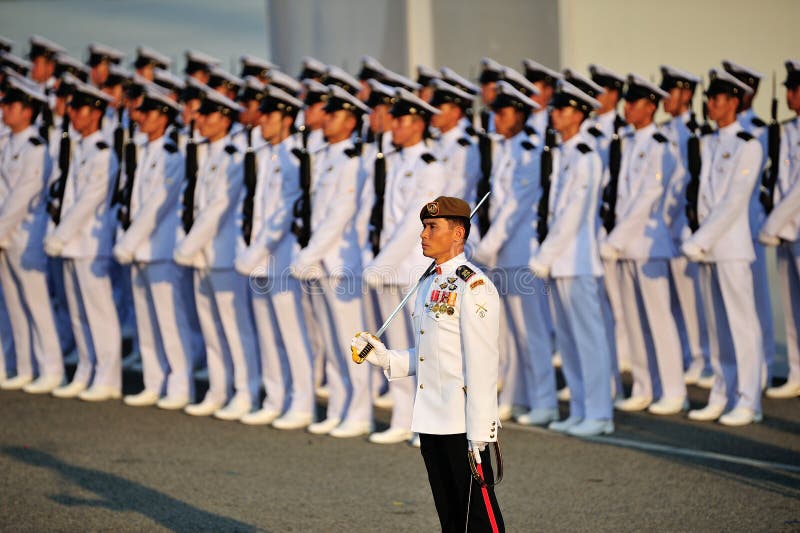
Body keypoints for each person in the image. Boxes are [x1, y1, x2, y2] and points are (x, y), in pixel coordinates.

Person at [353, 196, 504, 532]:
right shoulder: (426, 284)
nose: (423, 233)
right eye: (424, 226)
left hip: (462, 421)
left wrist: (481, 433)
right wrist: (385, 358)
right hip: (432, 418)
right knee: (450, 517)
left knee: (479, 518)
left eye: (432, 226)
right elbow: (429, 353)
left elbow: (482, 364)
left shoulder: (474, 286)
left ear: (458, 233)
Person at [362, 88, 447, 444]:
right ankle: (402, 416)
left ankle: (431, 423)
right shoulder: (393, 161)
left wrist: (382, 263)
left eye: (400, 120)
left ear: (417, 124)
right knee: (392, 349)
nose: (392, 126)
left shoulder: (430, 166)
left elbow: (416, 223)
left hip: (414, 264)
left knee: (424, 348)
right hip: (392, 266)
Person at [529, 81, 614, 436]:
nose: (555, 113)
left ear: (579, 114)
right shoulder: (563, 153)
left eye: (563, 109)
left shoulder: (586, 155)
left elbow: (574, 215)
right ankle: (580, 407)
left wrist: (544, 255)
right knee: (568, 340)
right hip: (560, 263)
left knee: (589, 339)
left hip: (576, 262)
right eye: (555, 108)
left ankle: (600, 413)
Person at [471, 81, 557, 426]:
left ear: (520, 115)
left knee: (532, 330)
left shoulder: (529, 150)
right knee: (509, 331)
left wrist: (486, 247)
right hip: (503, 252)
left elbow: (515, 208)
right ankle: (518, 395)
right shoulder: (506, 149)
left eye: (502, 113)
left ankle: (546, 401)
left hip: (520, 250)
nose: (497, 119)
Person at [600, 75, 687, 415]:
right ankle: (643, 385)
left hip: (648, 245)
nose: (627, 108)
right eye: (628, 102)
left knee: (659, 320)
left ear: (650, 107)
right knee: (633, 320)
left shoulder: (660, 144)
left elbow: (649, 197)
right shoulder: (629, 142)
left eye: (634, 103)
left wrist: (616, 238)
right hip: (624, 246)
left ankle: (674, 389)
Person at [290, 85, 373, 438]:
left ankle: (361, 411)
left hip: (341, 261)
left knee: (354, 342)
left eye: (334, 114)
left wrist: (310, 253)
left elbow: (340, 215)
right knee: (333, 339)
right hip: (323, 262)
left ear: (351, 120)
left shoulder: (353, 160)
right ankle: (340, 406)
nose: (325, 119)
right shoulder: (327, 156)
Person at [682, 69, 764, 426]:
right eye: (710, 99)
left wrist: (700, 239)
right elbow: (700, 196)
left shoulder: (748, 143)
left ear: (733, 102)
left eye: (717, 99)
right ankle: (722, 393)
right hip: (708, 250)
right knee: (716, 327)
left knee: (742, 326)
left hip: (730, 248)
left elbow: (733, 201)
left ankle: (748, 400)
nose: (711, 105)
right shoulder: (709, 142)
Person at [174, 88, 260, 420]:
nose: (200, 120)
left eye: (207, 115)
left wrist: (188, 245)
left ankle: (245, 390)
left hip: (223, 253)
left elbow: (218, 208)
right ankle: (218, 389)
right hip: (202, 255)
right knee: (211, 327)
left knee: (235, 327)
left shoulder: (234, 155)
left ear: (224, 118)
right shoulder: (206, 152)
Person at [234, 86, 315, 429]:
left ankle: (303, 401)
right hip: (259, 255)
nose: (261, 121)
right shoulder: (265, 155)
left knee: (290, 331)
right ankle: (275, 397)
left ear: (284, 119)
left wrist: (256, 250)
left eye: (268, 116)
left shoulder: (293, 157)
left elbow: (285, 212)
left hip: (279, 254)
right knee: (267, 331)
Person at [112, 86, 196, 410]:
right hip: (137, 248)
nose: (140, 117)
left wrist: (129, 240)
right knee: (146, 320)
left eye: (146, 113)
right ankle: (154, 380)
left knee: (169, 320)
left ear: (163, 116)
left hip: (158, 247)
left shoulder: (171, 154)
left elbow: (156, 206)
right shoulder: (143, 149)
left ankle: (180, 383)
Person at [44, 80, 122, 402]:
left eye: (79, 109)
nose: (73, 114)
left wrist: (60, 235)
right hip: (72, 244)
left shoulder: (103, 152)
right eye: (72, 108)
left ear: (95, 113)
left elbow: (88, 200)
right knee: (77, 310)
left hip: (90, 242)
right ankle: (87, 369)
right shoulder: (80, 147)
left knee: (98, 311)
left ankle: (109, 375)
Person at [0, 75, 63, 393]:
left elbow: (22, 195)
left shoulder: (36, 148)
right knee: (12, 303)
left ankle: (51, 368)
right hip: (6, 235)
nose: (4, 110)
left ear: (27, 110)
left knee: (36, 303)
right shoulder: (7, 143)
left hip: (25, 234)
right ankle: (24, 366)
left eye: (10, 105)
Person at [658, 65, 711, 386]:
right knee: (676, 302)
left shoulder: (697, 132)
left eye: (671, 92)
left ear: (686, 95)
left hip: (687, 227)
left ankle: (702, 357)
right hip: (667, 229)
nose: (665, 98)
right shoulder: (665, 131)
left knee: (694, 302)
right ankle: (689, 356)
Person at [759, 59, 800, 399]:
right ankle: (797, 372)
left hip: (791, 227)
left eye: (794, 88)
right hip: (787, 232)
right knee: (791, 306)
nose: (789, 94)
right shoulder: (785, 131)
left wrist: (773, 222)